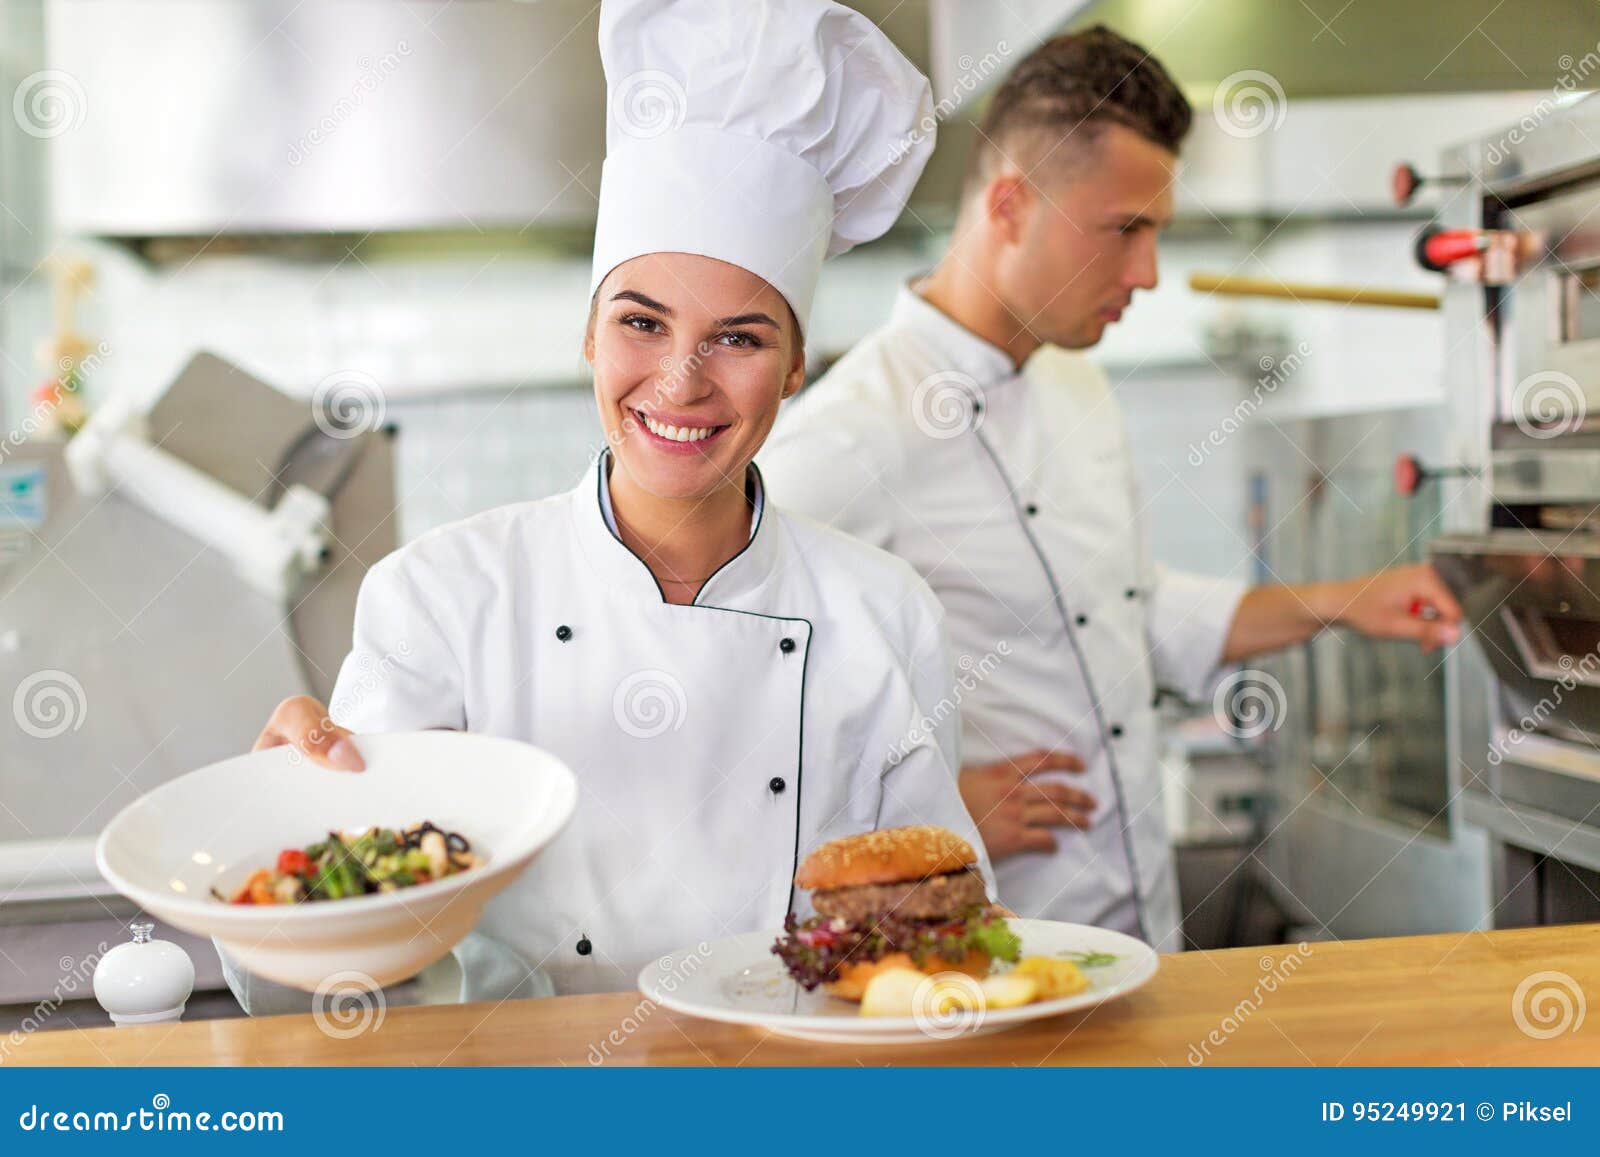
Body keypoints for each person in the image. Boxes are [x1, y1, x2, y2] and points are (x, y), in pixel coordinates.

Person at [252, 0, 991, 994]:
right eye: (642, 323)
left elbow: (938, 940)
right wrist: (290, 822)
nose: (681, 382)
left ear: (796, 366)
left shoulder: (884, 613)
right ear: (589, 336)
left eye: (739, 337)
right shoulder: (439, 599)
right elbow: (347, 965)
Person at [758, 26, 1463, 951]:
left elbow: (1129, 610)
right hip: (993, 965)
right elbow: (743, 710)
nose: (1148, 273)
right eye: (1125, 229)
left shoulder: (1079, 388)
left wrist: (1346, 601)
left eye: (1157, 231)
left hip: (1141, 942)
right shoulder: (846, 436)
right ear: (1010, 204)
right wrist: (918, 808)